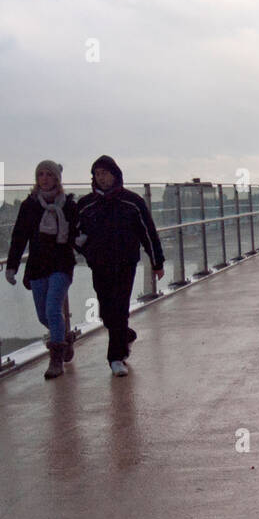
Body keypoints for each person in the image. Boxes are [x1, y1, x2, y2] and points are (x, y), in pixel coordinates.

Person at [74, 155, 164, 377]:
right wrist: (87, 251)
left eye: (104, 172)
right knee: (106, 311)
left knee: (120, 307)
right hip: (99, 264)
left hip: (126, 263)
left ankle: (116, 358)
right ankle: (125, 335)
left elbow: (148, 233)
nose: (101, 177)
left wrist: (157, 262)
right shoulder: (86, 205)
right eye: (97, 173)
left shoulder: (132, 202)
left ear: (115, 174)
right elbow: (74, 234)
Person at [4, 160, 79, 380]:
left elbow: (77, 232)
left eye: (49, 174)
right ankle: (65, 336)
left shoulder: (68, 205)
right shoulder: (30, 206)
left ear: (57, 178)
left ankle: (56, 360)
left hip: (61, 264)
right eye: (40, 174)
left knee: (53, 308)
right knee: (43, 315)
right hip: (37, 265)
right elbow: (19, 237)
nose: (44, 178)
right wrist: (12, 266)